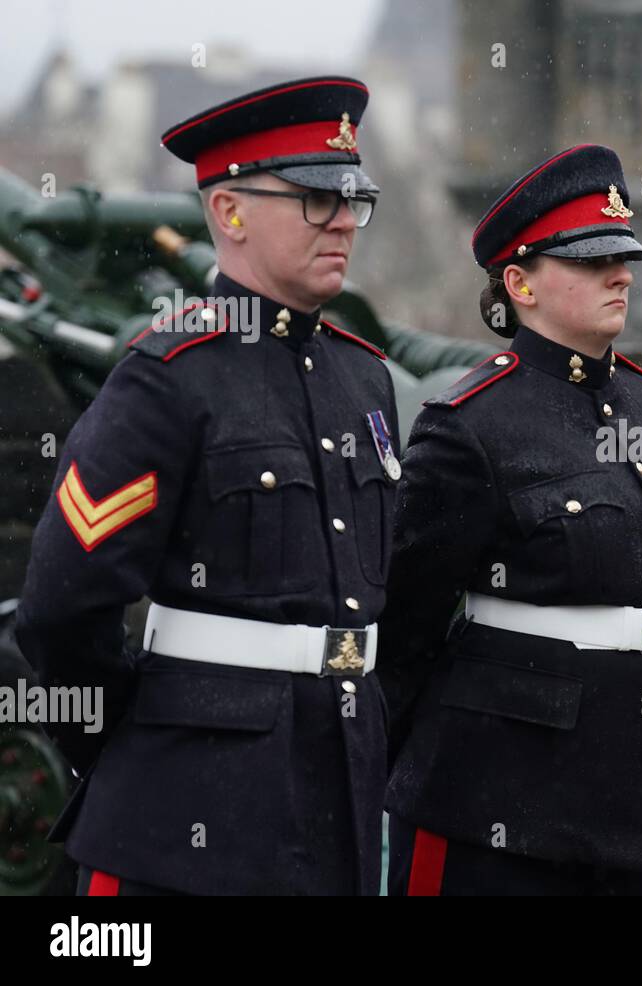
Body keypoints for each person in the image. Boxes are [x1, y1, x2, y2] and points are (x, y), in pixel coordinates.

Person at [17, 76, 394, 895]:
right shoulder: (167, 378)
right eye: (313, 197)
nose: (341, 220)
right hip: (186, 817)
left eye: (353, 198)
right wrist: (151, 736)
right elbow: (61, 609)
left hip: (340, 800)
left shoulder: (364, 381)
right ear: (229, 213)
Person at [380, 144, 642, 895]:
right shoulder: (471, 425)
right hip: (497, 808)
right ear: (521, 283)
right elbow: (403, 626)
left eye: (622, 257)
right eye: (592, 262)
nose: (622, 274)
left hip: (640, 796)